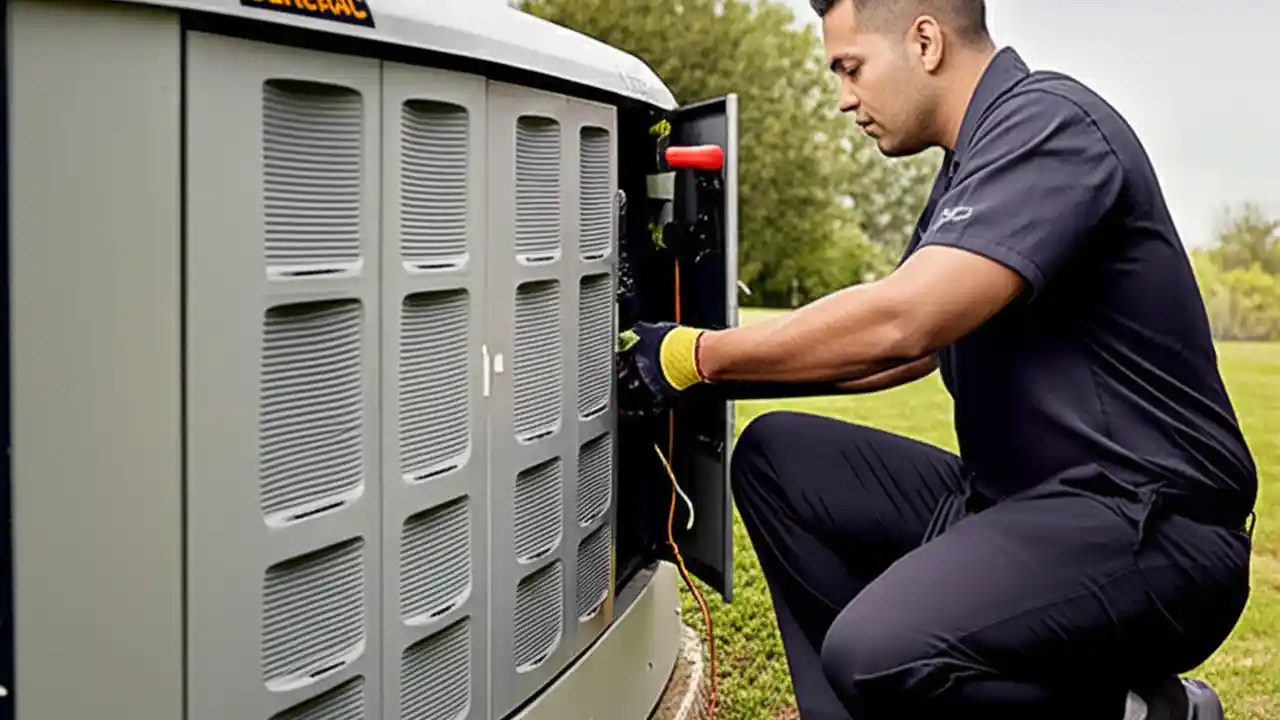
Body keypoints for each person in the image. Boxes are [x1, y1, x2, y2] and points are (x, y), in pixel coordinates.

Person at [616, 0, 1258, 718]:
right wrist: (690, 371)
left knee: (878, 648)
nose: (842, 99)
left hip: (1151, 531)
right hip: (1016, 505)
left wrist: (695, 355)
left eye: (850, 68)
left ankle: (1141, 713)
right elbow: (896, 359)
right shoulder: (970, 165)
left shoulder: (1052, 126)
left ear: (924, 41)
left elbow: (905, 322)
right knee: (777, 460)